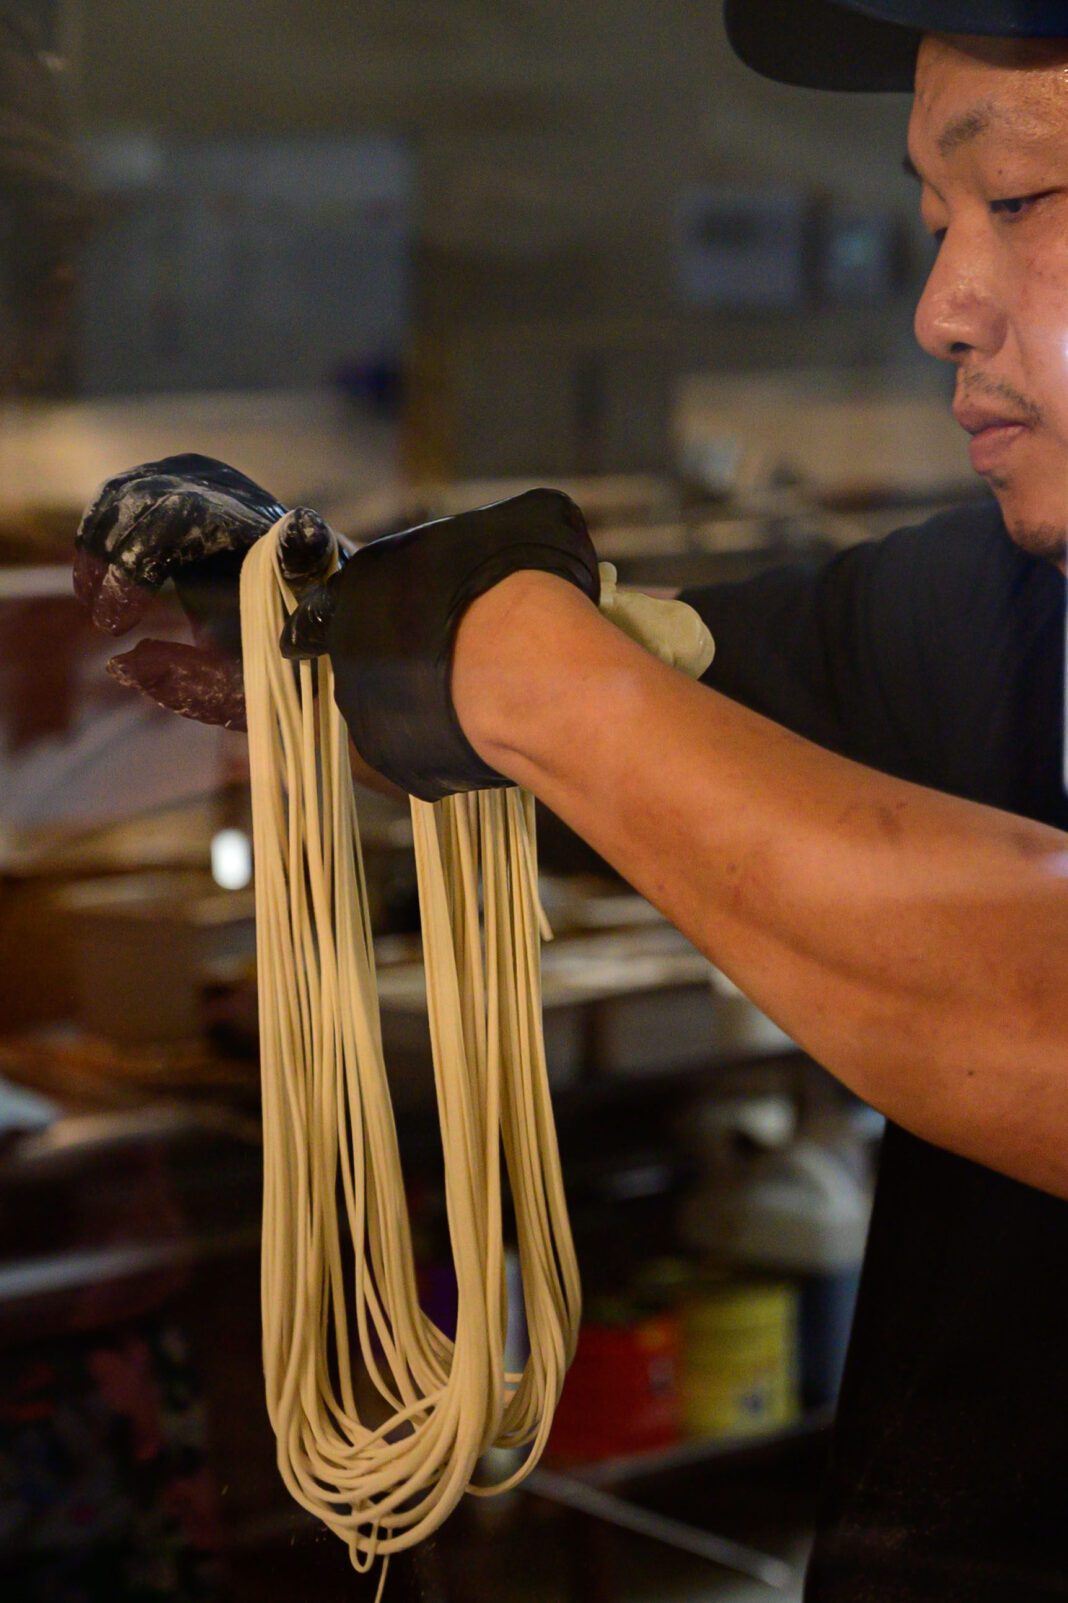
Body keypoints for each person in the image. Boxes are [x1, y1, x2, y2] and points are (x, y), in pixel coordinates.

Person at [75, 4, 1068, 1598]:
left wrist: (521, 666)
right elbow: (685, 708)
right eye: (934, 217)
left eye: (1017, 197)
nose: (942, 305)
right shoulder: (997, 612)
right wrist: (293, 610)